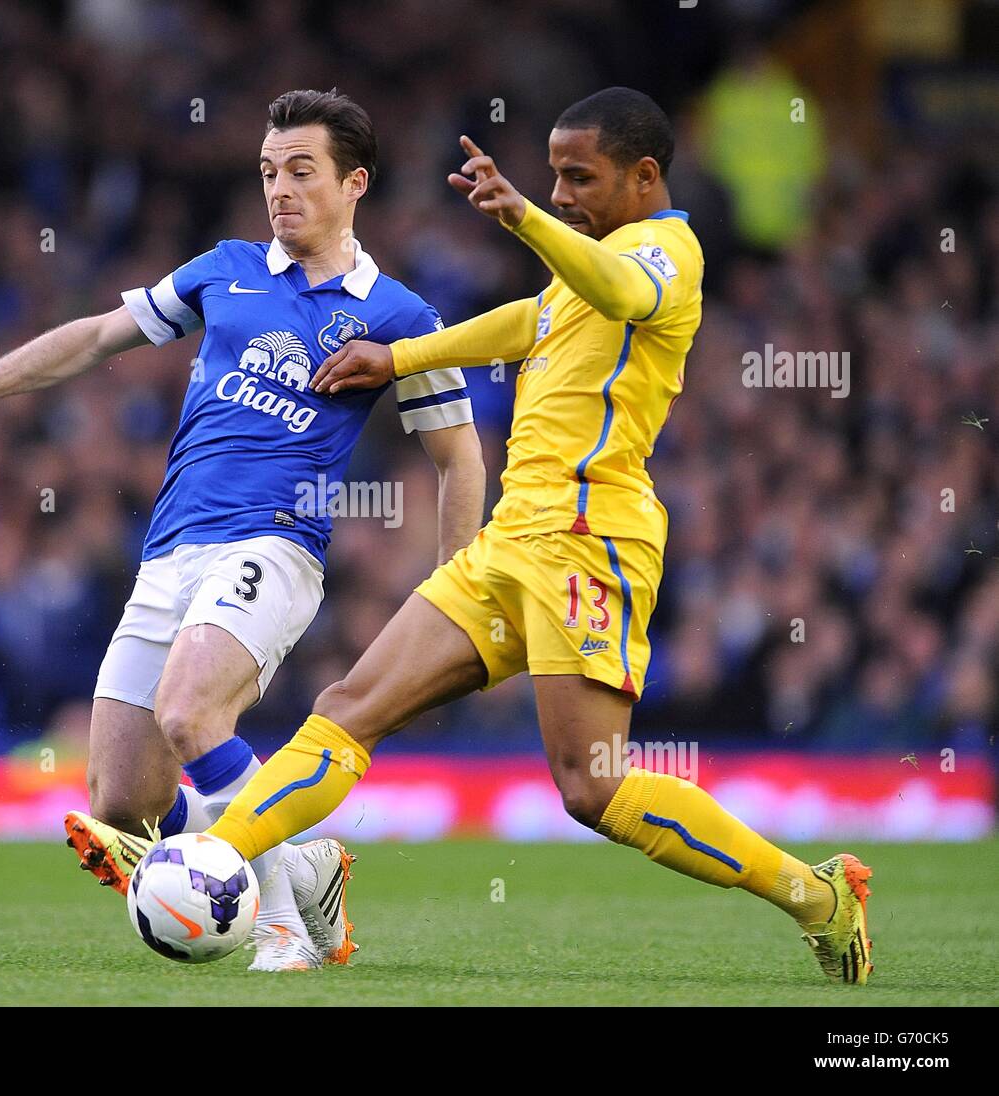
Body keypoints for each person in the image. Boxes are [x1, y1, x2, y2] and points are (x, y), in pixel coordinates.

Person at [203, 88, 873, 984]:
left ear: (644, 177)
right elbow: (534, 321)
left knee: (591, 787)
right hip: (513, 532)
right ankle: (210, 860)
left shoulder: (667, 253)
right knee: (346, 709)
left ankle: (815, 895)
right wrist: (400, 356)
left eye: (577, 177)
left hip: (590, 539)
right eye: (551, 177)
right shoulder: (585, 265)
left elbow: (625, 293)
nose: (558, 194)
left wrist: (520, 217)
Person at [0, 89, 485, 971]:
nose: (279, 190)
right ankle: (302, 863)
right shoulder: (225, 270)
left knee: (190, 711)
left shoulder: (400, 315)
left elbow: (458, 459)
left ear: (354, 182)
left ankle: (284, 927)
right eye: (267, 172)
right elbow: (99, 335)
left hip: (275, 545)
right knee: (122, 800)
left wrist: (455, 592)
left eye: (301, 171)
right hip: (171, 550)